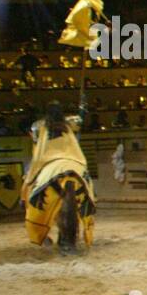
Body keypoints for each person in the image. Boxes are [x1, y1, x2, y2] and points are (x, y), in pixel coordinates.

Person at [23, 103, 95, 253]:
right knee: (86, 181)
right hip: (73, 160)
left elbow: (35, 142)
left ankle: (27, 207)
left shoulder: (38, 126)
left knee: (29, 183)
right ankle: (93, 197)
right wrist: (82, 109)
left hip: (48, 161)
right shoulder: (70, 122)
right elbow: (80, 121)